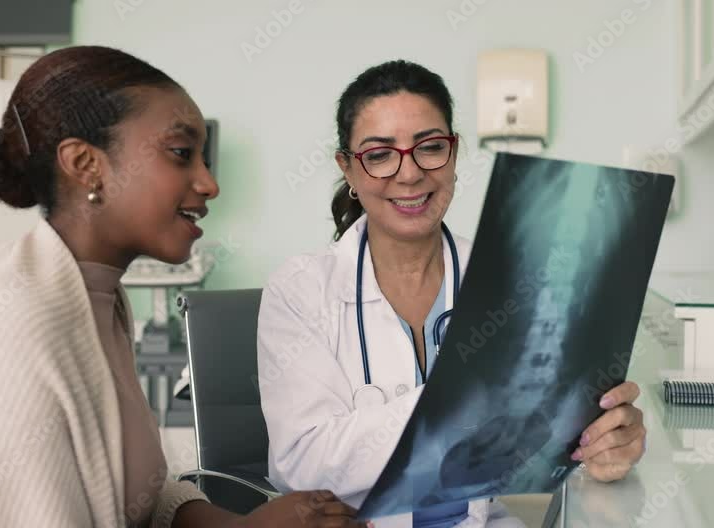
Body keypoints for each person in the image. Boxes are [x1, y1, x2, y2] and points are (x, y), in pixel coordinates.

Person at [0, 46, 367, 528]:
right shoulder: (12, 329)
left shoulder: (96, 298)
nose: (209, 183)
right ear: (85, 163)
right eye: (181, 154)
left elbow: (135, 490)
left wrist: (249, 526)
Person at [257, 60, 647, 528]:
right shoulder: (301, 289)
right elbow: (300, 461)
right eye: (379, 154)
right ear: (349, 169)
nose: (410, 174)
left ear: (455, 153)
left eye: (431, 147)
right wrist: (463, 405)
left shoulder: (513, 281)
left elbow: (542, 448)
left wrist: (603, 448)